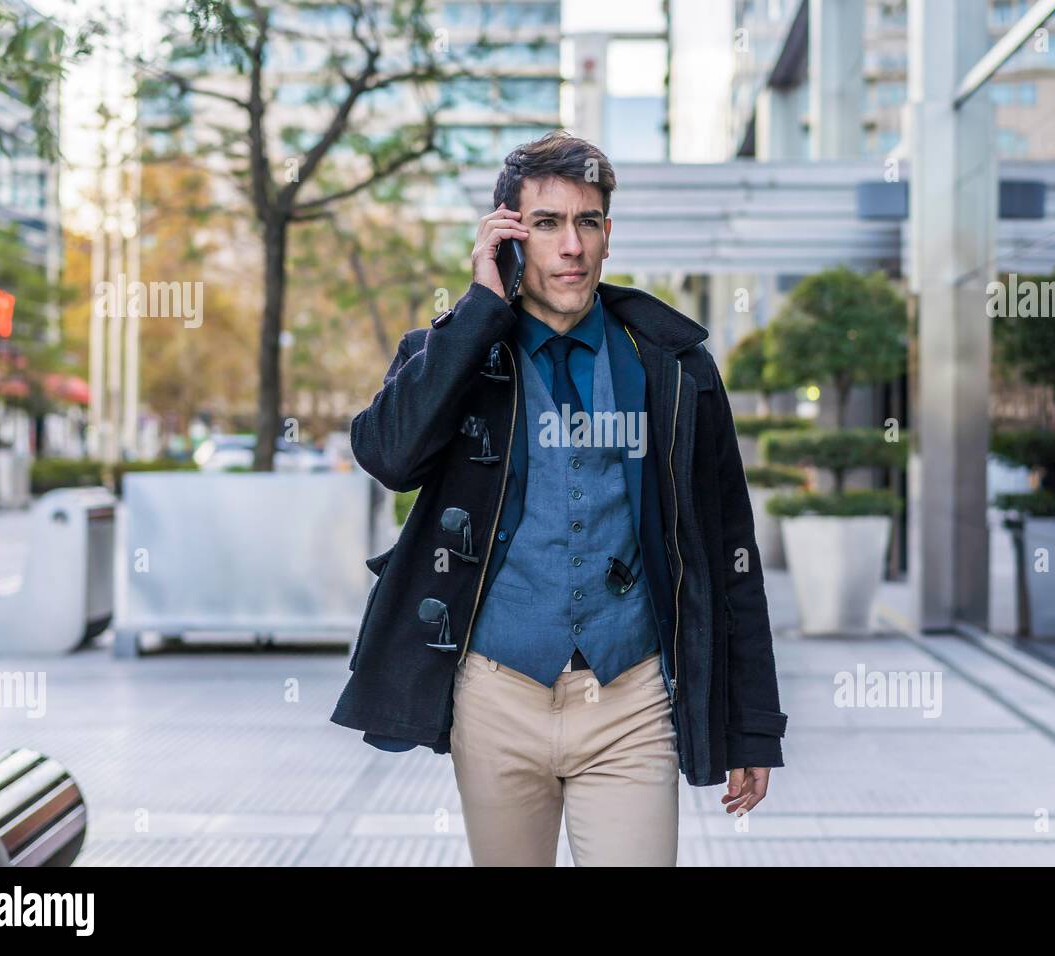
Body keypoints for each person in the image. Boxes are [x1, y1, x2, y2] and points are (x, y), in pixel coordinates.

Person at [331, 130, 788, 866]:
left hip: (630, 701)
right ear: (510, 236)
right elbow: (389, 455)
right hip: (495, 698)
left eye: (587, 222)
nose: (570, 245)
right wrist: (480, 304)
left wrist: (752, 725)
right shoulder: (452, 353)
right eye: (546, 223)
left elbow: (731, 549)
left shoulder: (676, 367)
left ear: (609, 236)